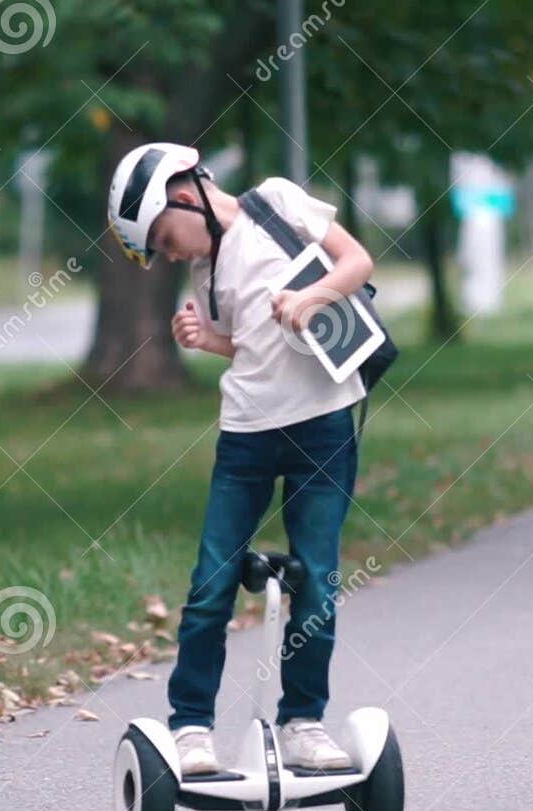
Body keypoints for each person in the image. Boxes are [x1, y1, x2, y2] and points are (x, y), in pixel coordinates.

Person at [105, 141, 374, 774]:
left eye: (165, 240)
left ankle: (304, 721)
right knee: (210, 585)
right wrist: (210, 341)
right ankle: (192, 727)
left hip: (322, 429)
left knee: (317, 581)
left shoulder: (277, 203)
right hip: (247, 435)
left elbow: (356, 262)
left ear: (183, 194)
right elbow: (254, 346)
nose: (171, 255)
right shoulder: (206, 268)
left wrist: (316, 298)